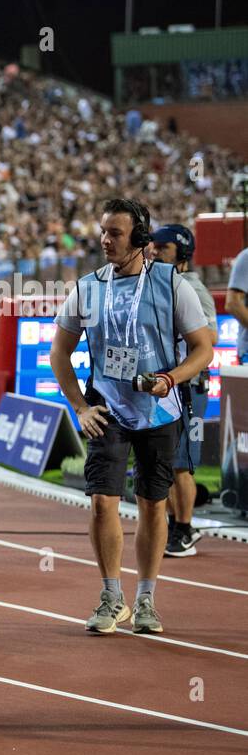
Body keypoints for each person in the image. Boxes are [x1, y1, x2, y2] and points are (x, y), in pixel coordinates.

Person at [50, 199, 215, 635]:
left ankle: (146, 599)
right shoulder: (87, 287)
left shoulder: (171, 285)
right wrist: (81, 407)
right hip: (106, 407)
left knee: (151, 504)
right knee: (103, 501)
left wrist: (171, 379)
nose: (105, 240)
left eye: (115, 233)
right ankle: (111, 596)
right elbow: (59, 353)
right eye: (103, 231)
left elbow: (203, 348)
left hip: (159, 410)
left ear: (140, 238)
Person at [145, 224, 218, 557]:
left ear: (183, 253)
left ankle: (185, 528)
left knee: (182, 462)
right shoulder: (160, 284)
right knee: (166, 460)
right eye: (154, 246)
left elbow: (210, 339)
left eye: (164, 248)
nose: (155, 252)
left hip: (190, 388)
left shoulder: (192, 287)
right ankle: (176, 523)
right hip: (168, 387)